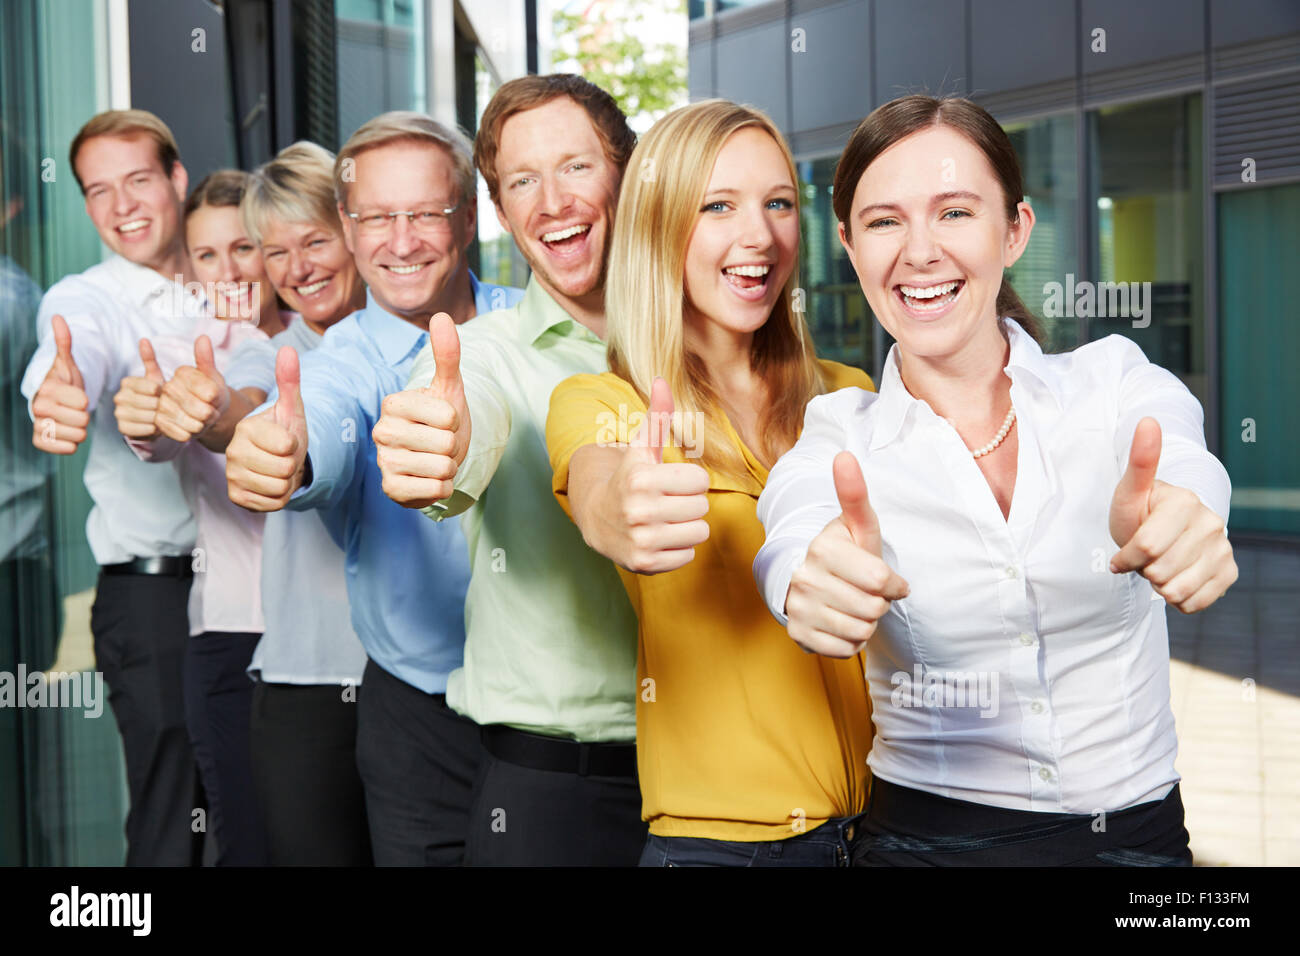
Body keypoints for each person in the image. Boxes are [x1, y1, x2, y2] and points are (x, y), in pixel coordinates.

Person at [753, 94, 1239, 867]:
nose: (919, 251)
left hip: (1138, 844)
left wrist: (1190, 514)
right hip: (923, 846)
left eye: (954, 213)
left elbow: (1182, 456)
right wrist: (802, 578)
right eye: (884, 222)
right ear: (847, 245)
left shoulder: (1112, 381)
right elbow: (793, 526)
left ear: (1014, 230)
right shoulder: (840, 432)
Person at [545, 99, 875, 867]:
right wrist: (620, 509)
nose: (758, 235)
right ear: (659, 225)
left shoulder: (850, 394)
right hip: (720, 850)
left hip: (883, 832)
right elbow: (599, 488)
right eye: (717, 206)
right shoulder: (605, 404)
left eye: (779, 203)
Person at [224, 113, 523, 865]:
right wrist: (283, 456)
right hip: (419, 718)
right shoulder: (344, 355)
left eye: (425, 213)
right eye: (376, 218)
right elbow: (318, 416)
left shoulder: (535, 325)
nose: (401, 240)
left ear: (469, 218)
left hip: (550, 722)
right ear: (351, 230)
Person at [371, 75, 646, 865]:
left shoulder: (703, 345)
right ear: (500, 211)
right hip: (551, 798)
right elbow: (464, 417)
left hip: (712, 788)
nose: (552, 200)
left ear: (626, 174)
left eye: (576, 167)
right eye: (522, 180)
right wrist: (440, 445)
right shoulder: (480, 354)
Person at [20, 109, 205, 866]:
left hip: (268, 591)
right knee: (171, 825)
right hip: (155, 600)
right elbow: (70, 351)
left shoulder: (238, 273)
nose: (122, 207)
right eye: (99, 192)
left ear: (176, 179)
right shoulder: (86, 297)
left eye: (137, 181)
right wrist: (54, 389)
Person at [113, 169, 281, 865]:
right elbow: (158, 433)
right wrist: (147, 418)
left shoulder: (327, 337)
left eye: (243, 247)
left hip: (336, 649)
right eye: (206, 255)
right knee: (247, 845)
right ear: (186, 267)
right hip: (233, 639)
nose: (229, 270)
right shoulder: (186, 356)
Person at [229, 141, 371, 865]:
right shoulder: (268, 356)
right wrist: (224, 420)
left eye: (314, 240)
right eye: (274, 252)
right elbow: (237, 409)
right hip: (304, 683)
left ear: (353, 229)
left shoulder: (421, 342)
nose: (298, 269)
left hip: (427, 687)